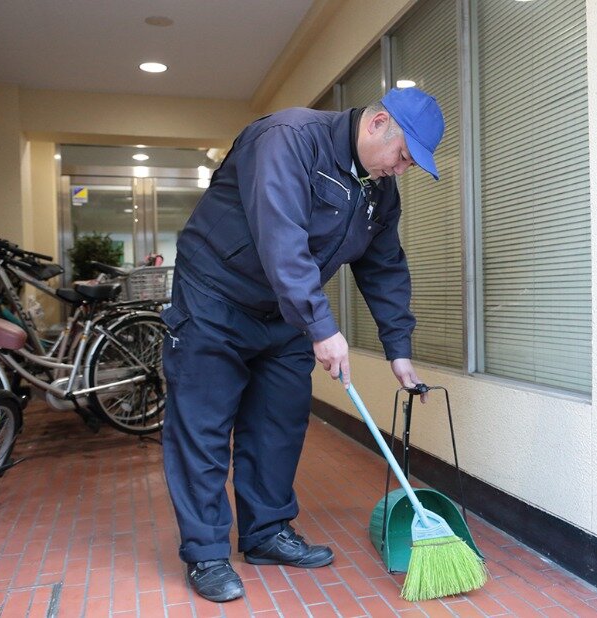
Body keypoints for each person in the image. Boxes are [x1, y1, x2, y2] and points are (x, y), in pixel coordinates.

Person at [160, 87, 445, 603]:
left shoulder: (379, 189)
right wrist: (321, 326)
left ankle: (266, 533)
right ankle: (205, 552)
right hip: (214, 298)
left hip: (284, 311)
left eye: (410, 165)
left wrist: (398, 347)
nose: (401, 170)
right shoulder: (287, 138)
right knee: (202, 424)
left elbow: (383, 266)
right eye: (403, 156)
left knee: (279, 421)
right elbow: (280, 236)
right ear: (377, 123)